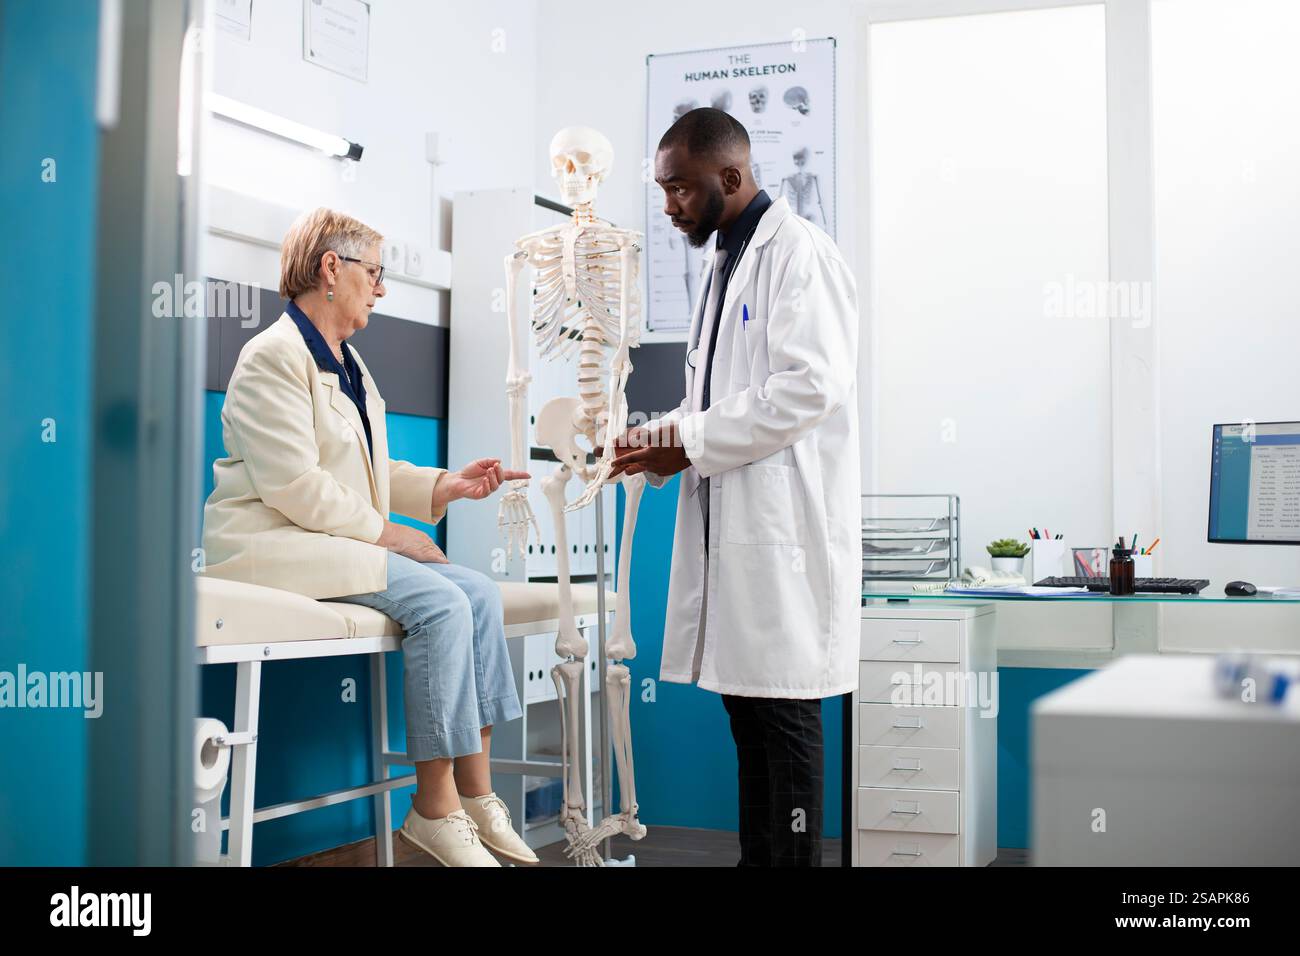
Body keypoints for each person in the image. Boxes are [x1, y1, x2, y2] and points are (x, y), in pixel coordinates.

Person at [201, 207, 536, 867]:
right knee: (441, 603)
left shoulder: (348, 363)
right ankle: (433, 810)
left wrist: (444, 486)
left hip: (322, 540)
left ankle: (476, 794)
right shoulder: (272, 356)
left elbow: (365, 470)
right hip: (269, 544)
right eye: (375, 274)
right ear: (332, 268)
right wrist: (393, 536)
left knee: (476, 593)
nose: (381, 290)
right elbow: (295, 485)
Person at [610, 109, 861, 867]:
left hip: (783, 543)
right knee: (751, 725)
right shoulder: (726, 260)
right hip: (743, 541)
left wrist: (686, 441)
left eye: (680, 188)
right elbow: (719, 401)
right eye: (662, 190)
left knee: (781, 727)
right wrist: (662, 436)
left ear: (730, 176)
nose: (669, 206)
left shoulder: (800, 255)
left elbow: (807, 389)